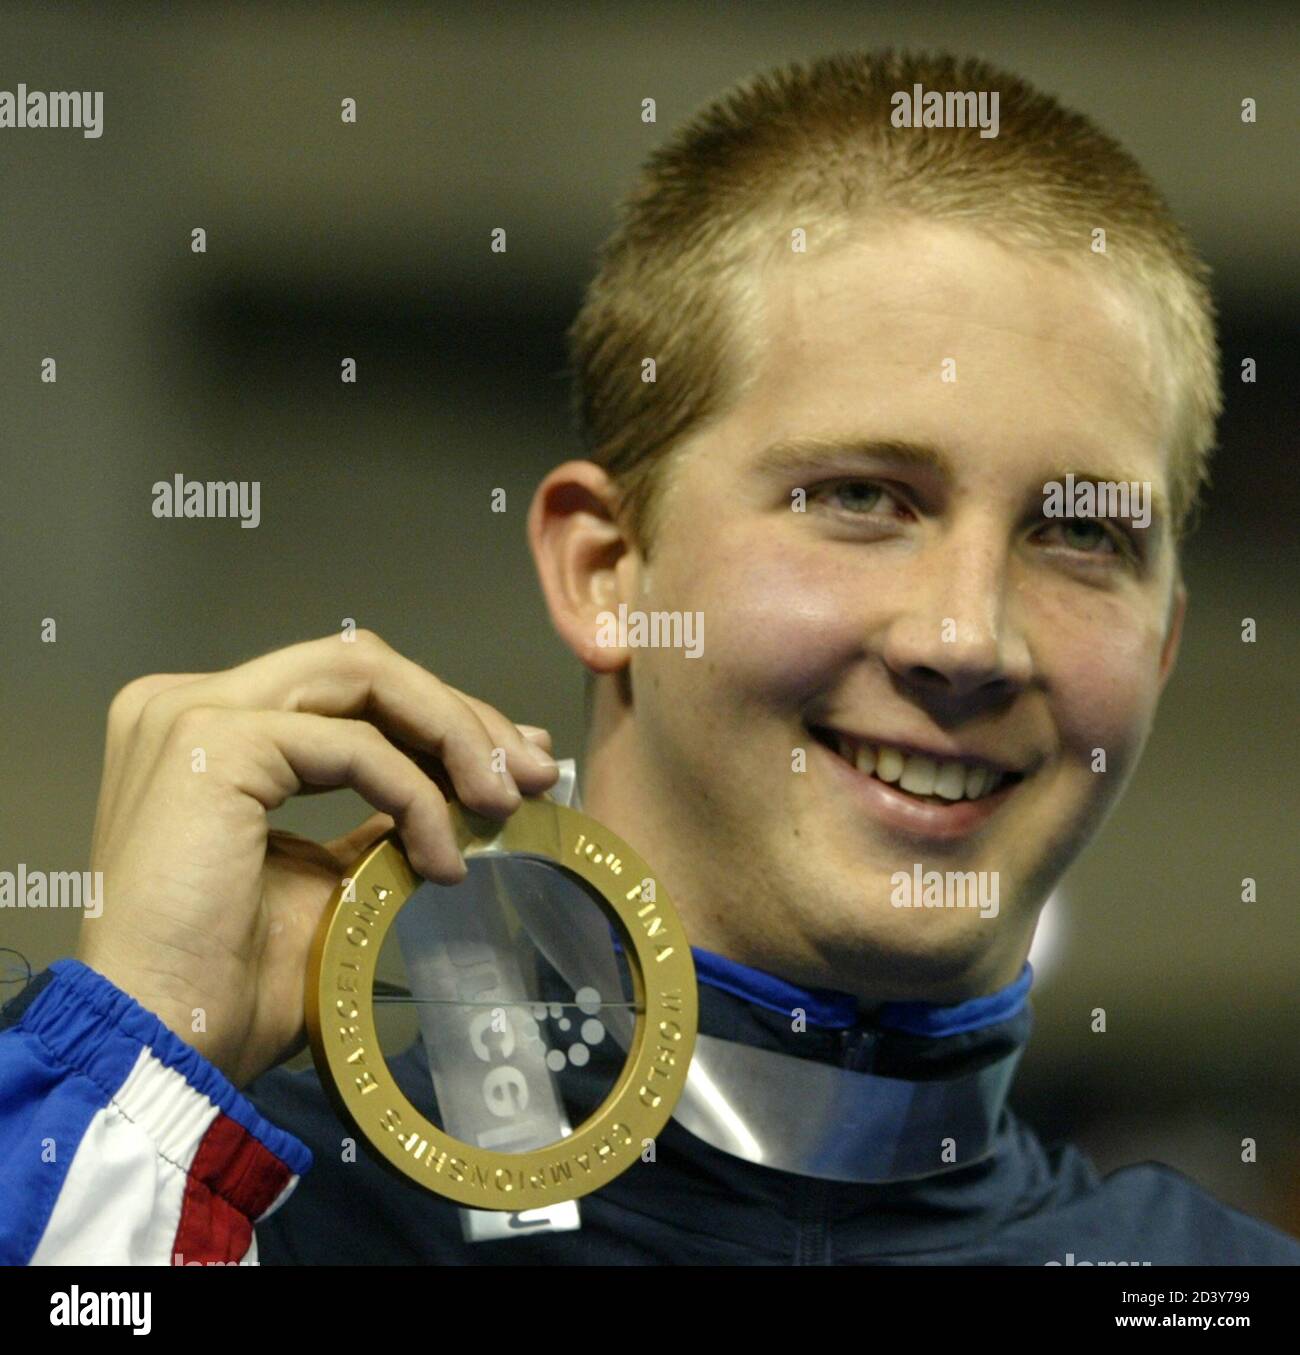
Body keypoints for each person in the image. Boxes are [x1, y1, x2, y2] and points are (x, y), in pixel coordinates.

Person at [2, 48, 1295, 1266]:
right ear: (605, 571)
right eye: (862, 498)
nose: (968, 639)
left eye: (1080, 533)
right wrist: (129, 1094)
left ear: (1165, 640)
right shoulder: (219, 1195)